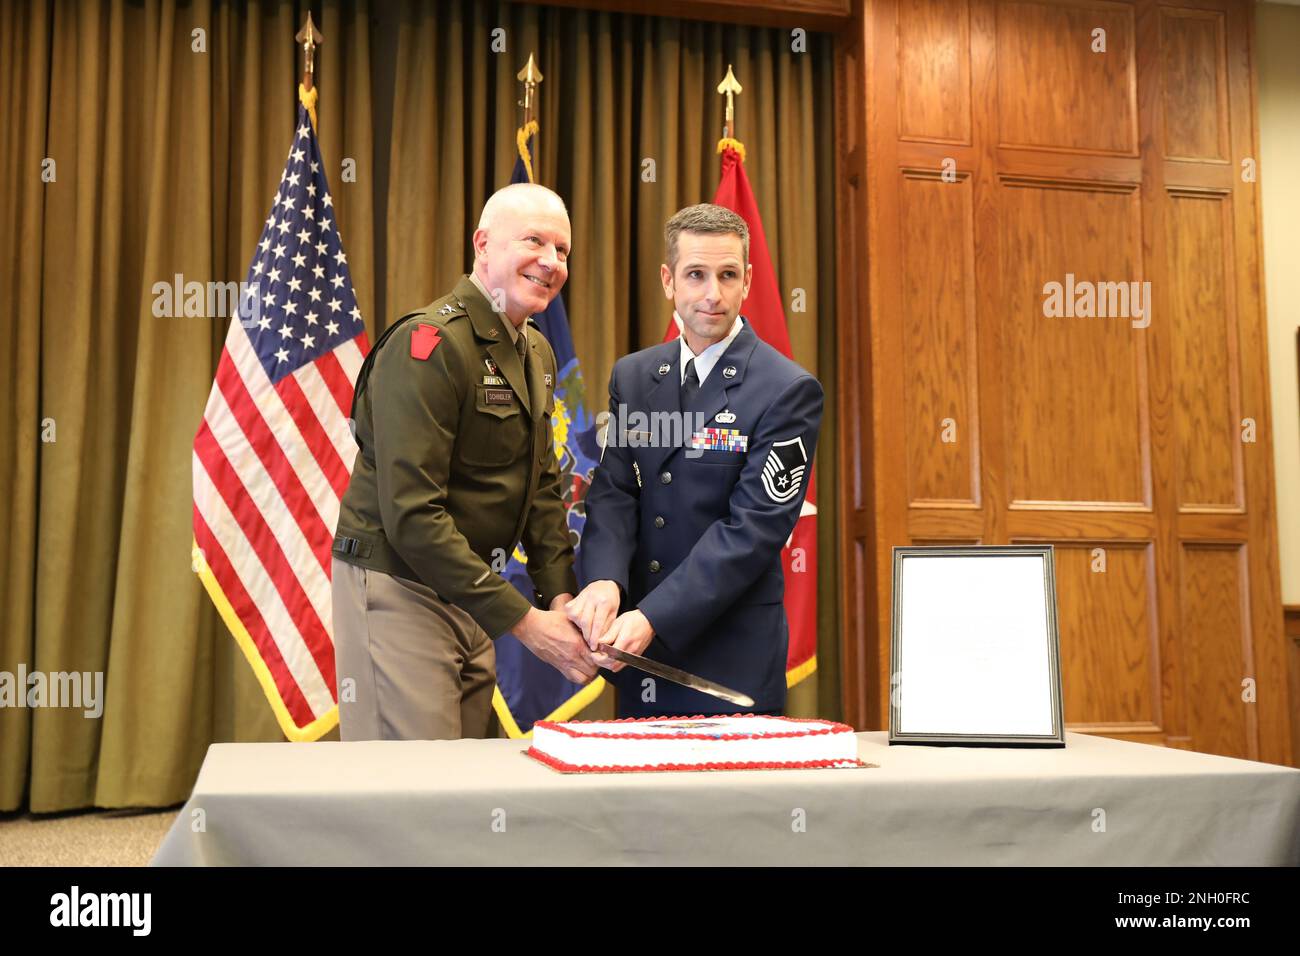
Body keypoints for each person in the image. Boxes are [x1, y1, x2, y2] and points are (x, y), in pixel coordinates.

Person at [332, 183, 597, 741]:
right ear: (482, 245)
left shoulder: (536, 352)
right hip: (400, 585)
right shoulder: (428, 345)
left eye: (562, 250)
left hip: (471, 590)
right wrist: (526, 622)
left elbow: (542, 490)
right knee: (415, 780)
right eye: (534, 241)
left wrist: (560, 598)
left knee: (466, 777)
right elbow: (412, 516)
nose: (551, 261)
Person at [569, 203, 823, 717]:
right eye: (696, 275)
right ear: (668, 281)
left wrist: (653, 617)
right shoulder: (634, 376)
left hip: (729, 657)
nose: (713, 294)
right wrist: (604, 579)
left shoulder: (787, 389)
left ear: (748, 281)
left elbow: (751, 531)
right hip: (637, 654)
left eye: (728, 275)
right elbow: (616, 491)